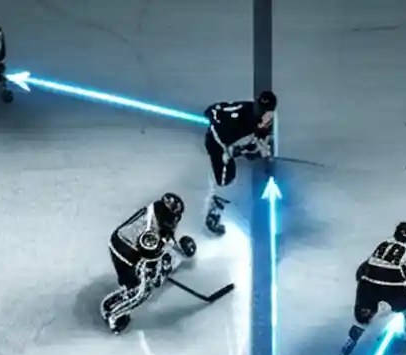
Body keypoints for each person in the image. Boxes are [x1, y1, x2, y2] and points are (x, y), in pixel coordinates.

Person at [101, 193, 196, 333]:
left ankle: (124, 293)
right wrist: (152, 272)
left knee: (135, 281)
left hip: (119, 243)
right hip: (127, 253)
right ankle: (114, 317)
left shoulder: (155, 211)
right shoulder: (155, 228)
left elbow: (157, 243)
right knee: (143, 291)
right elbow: (149, 250)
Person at [340, 222, 406, 355]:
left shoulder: (383, 245)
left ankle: (349, 344)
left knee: (363, 317)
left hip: (367, 286)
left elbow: (363, 268)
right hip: (393, 288)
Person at [201, 91, 277, 235]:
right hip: (218, 146)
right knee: (225, 180)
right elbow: (213, 110)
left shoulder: (265, 122)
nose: (266, 118)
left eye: (269, 113)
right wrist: (232, 151)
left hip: (238, 144)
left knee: (253, 151)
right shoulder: (239, 112)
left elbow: (262, 136)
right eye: (262, 112)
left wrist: (260, 151)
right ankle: (213, 214)